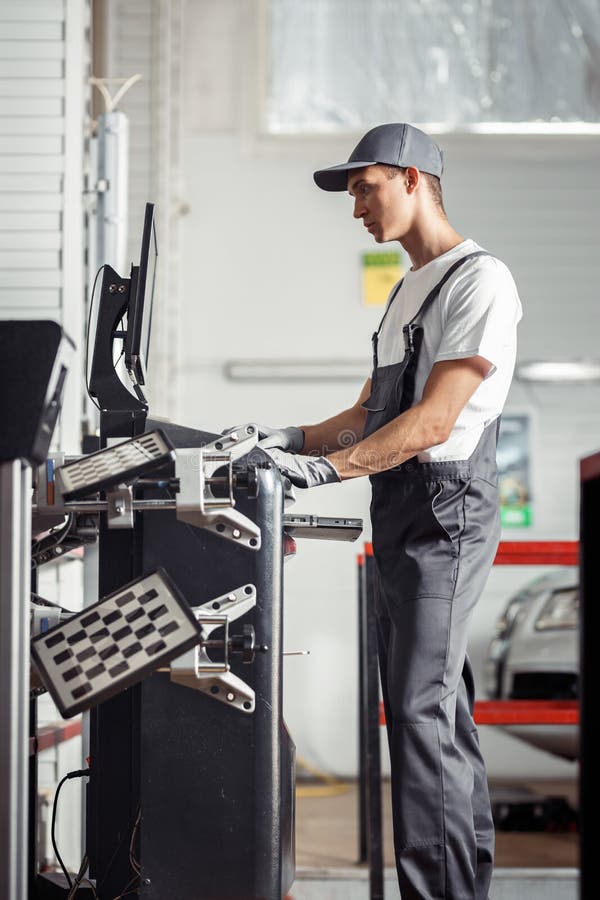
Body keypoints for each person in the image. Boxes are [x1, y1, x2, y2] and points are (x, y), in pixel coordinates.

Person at [236, 123, 522, 900]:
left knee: (422, 723)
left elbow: (431, 423)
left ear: (411, 178)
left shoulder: (479, 281)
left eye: (365, 187)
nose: (357, 206)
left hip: (445, 515)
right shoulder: (406, 290)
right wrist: (282, 438)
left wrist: (318, 470)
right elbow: (371, 413)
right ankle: (465, 889)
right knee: (437, 716)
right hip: (398, 516)